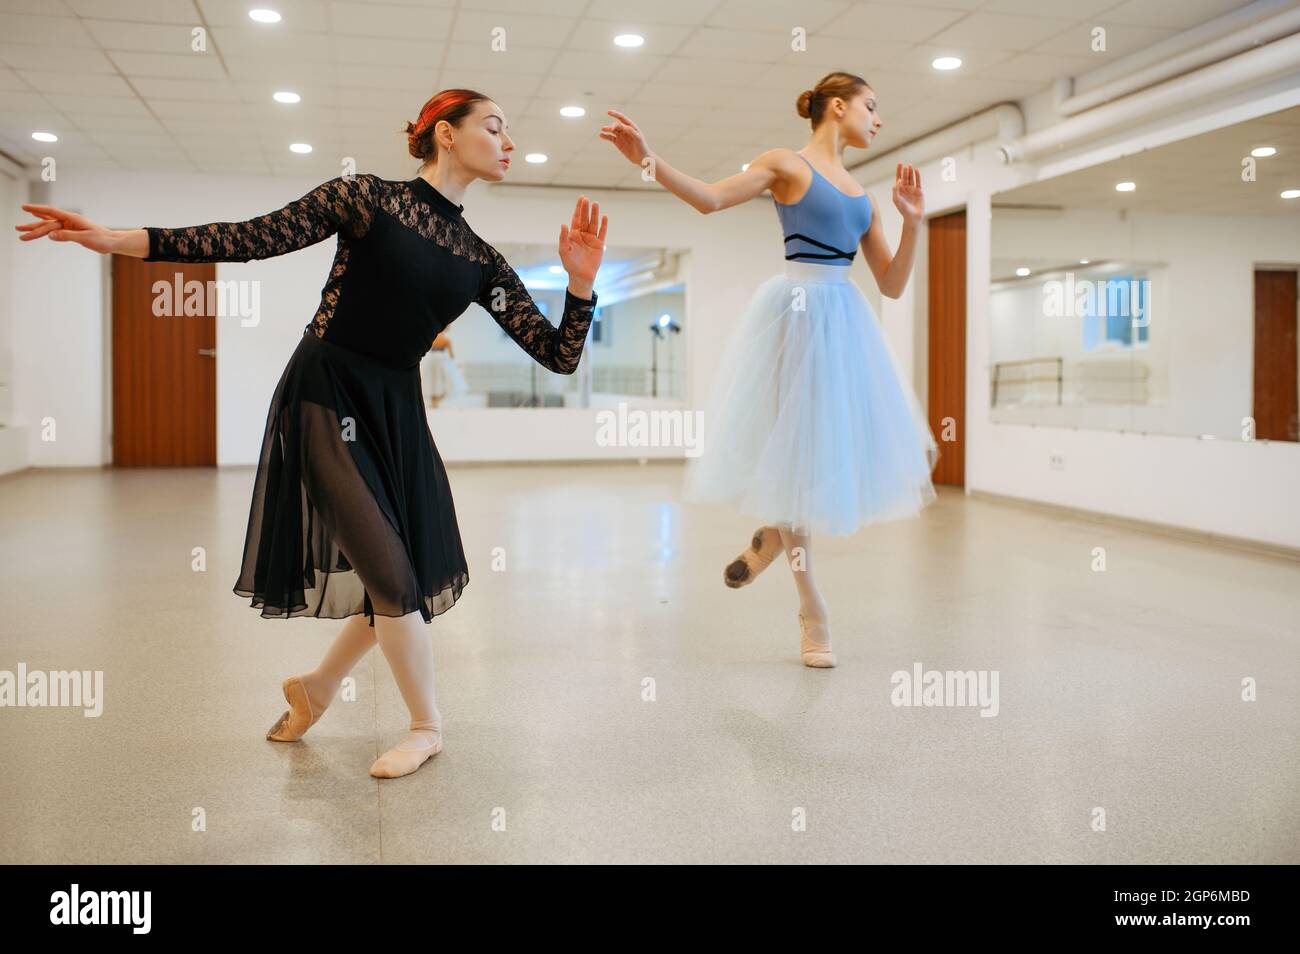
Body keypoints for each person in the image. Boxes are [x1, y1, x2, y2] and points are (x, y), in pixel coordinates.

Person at [17, 89, 608, 776]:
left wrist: (581, 286)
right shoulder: (365, 199)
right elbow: (245, 239)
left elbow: (557, 354)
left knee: (401, 573)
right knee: (388, 574)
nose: (510, 143)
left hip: (397, 412)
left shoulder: (481, 260)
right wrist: (115, 239)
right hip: (326, 393)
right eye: (497, 127)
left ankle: (316, 688)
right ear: (445, 134)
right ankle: (427, 726)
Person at [600, 71, 938, 668]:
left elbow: (890, 282)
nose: (879, 120)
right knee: (796, 458)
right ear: (838, 107)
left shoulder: (863, 197)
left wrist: (914, 223)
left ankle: (772, 539)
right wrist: (647, 160)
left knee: (821, 461)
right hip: (795, 317)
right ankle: (814, 611)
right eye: (871, 108)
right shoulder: (786, 163)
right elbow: (709, 198)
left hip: (847, 324)